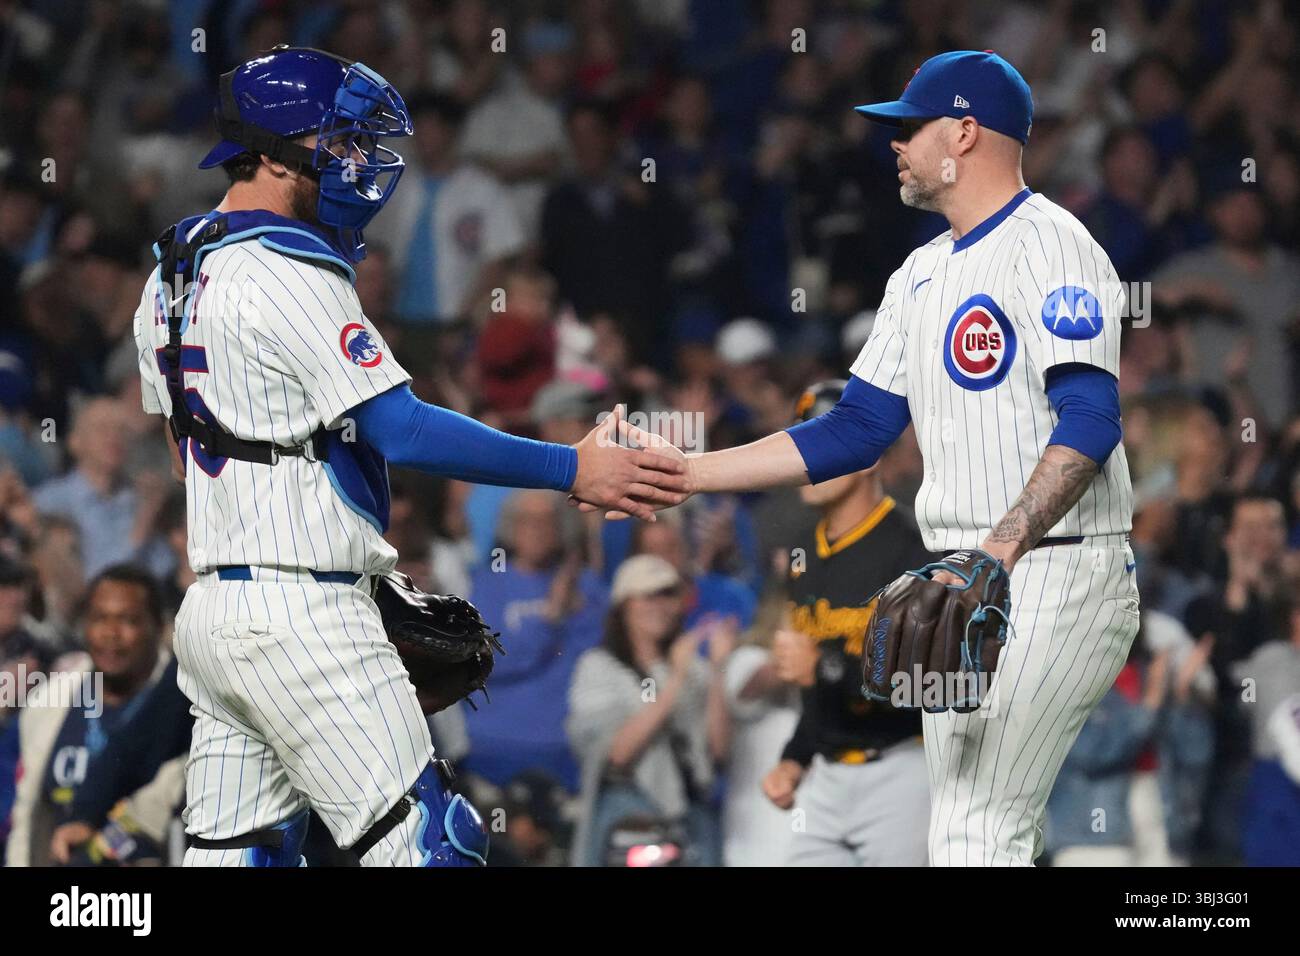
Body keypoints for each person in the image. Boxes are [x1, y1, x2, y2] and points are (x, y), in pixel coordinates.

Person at [579, 51, 1139, 867]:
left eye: (910, 126)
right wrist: (690, 472)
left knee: (974, 831)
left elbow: (1091, 422)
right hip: (963, 578)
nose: (895, 144)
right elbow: (853, 431)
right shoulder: (918, 275)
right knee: (972, 828)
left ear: (967, 131)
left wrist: (999, 548)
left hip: (1059, 568)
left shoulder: (1055, 246)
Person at [131, 46, 686, 868]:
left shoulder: (170, 274)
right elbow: (406, 430)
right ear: (281, 150)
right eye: (340, 140)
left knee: (234, 858)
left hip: (215, 615)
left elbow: (187, 455)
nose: (358, 161)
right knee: (436, 849)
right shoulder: (289, 265)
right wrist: (573, 467)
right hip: (303, 613)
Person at [761, 380, 933, 866]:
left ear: (871, 454)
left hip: (903, 766)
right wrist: (796, 756)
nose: (810, 462)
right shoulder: (800, 551)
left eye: (827, 444)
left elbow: (925, 681)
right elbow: (817, 688)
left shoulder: (914, 547)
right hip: (829, 777)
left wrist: (828, 665)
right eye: (805, 445)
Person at [5, 565, 178, 866]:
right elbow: (27, 816)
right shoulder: (49, 701)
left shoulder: (183, 705)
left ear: (158, 626)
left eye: (128, 620)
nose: (111, 633)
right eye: (99, 618)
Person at [566, 555, 732, 866]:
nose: (659, 605)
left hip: (693, 815)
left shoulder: (694, 667)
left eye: (668, 595)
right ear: (624, 606)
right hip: (631, 812)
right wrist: (675, 682)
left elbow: (718, 751)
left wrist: (718, 670)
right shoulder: (598, 667)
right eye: (648, 595)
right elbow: (617, 752)